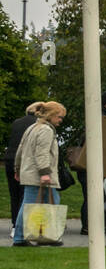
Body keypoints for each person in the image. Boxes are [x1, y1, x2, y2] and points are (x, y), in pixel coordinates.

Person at [12, 101, 67, 246]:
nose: (61, 120)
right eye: (60, 117)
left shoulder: (32, 127)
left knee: (28, 205)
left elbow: (20, 150)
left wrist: (17, 169)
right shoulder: (46, 131)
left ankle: (22, 237)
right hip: (39, 174)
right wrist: (45, 173)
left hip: (29, 173)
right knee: (50, 203)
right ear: (51, 115)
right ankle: (49, 236)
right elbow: (42, 154)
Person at [75, 91, 106, 234]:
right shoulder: (102, 120)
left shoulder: (102, 117)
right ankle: (89, 226)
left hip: (94, 163)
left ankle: (98, 223)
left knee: (98, 194)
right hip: (92, 164)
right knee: (93, 195)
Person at [5, 102, 39, 243]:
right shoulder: (38, 125)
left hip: (10, 159)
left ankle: (15, 224)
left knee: (15, 194)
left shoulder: (17, 122)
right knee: (26, 195)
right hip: (26, 161)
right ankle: (22, 227)